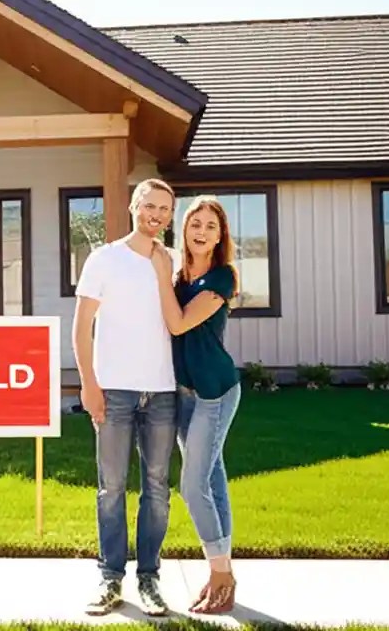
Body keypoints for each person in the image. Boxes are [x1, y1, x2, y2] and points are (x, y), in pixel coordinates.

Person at [72, 178, 180, 617]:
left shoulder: (172, 261)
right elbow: (82, 328)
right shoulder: (104, 258)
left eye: (165, 209)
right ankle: (110, 578)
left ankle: (149, 578)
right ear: (134, 206)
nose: (156, 215)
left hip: (163, 392)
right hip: (114, 391)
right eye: (149, 205)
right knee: (110, 488)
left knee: (157, 489)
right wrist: (88, 384)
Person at [149, 194, 242, 615]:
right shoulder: (180, 279)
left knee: (191, 485)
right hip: (184, 393)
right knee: (213, 480)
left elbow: (178, 322)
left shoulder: (221, 279)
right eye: (195, 223)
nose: (201, 231)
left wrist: (161, 272)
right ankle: (220, 569)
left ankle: (222, 576)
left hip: (215, 392)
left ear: (220, 235)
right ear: (183, 229)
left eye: (210, 226)